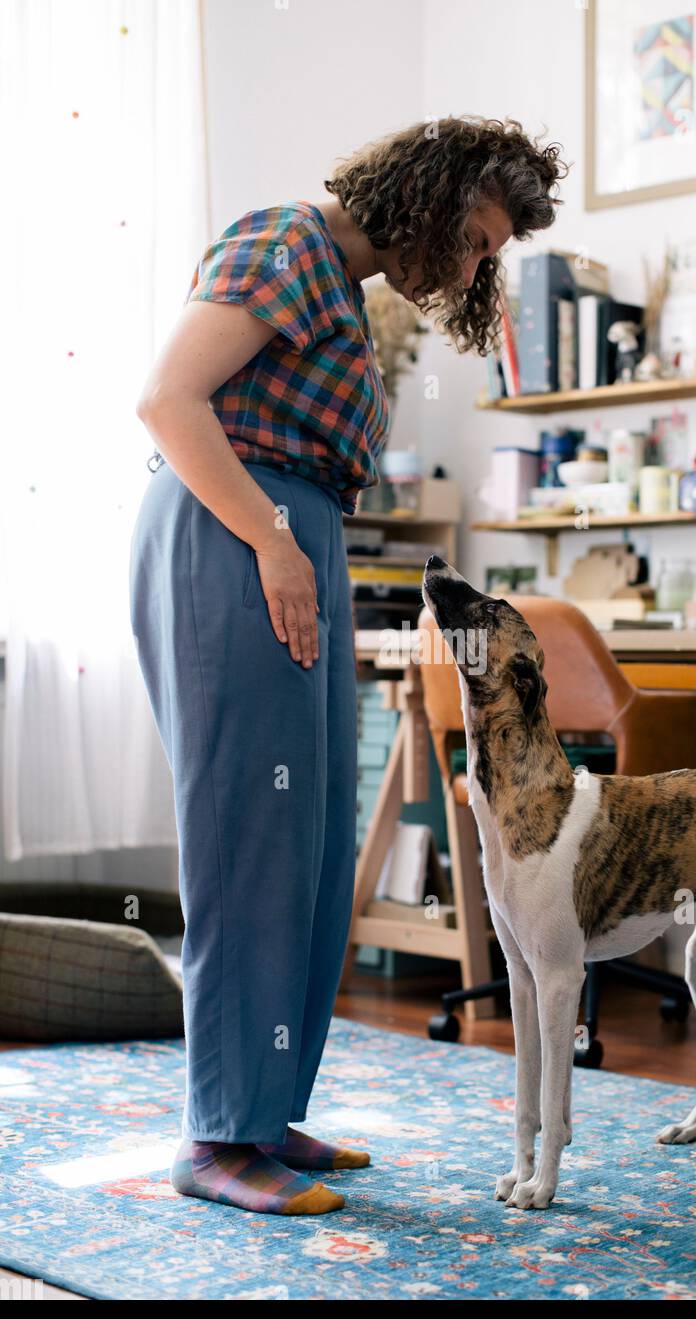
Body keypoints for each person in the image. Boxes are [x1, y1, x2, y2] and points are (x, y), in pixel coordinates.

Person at [129, 115, 567, 1216]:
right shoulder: (282, 242)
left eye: (487, 252)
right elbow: (168, 401)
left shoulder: (341, 284)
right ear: (424, 193)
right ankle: (217, 1138)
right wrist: (273, 543)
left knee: (312, 843)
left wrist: (297, 544)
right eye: (472, 238)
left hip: (290, 540)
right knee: (247, 838)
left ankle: (263, 1110)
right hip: (233, 539)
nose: (473, 266)